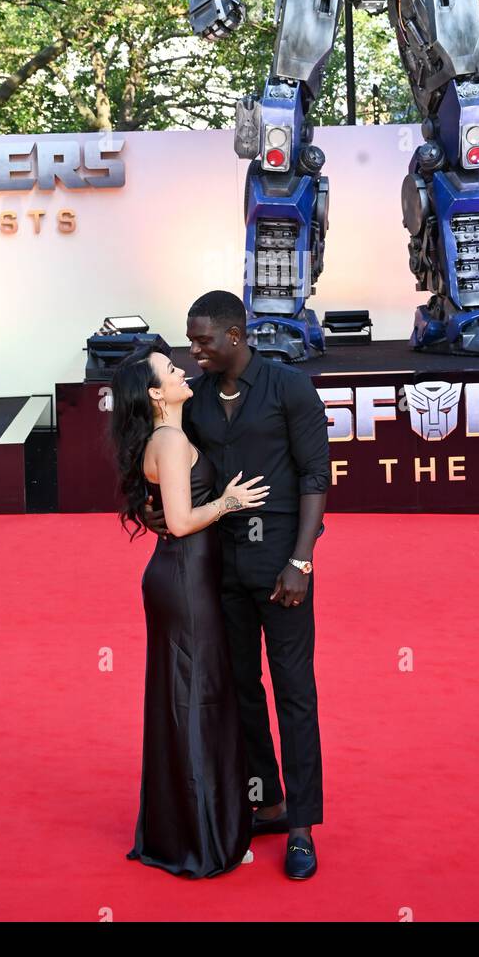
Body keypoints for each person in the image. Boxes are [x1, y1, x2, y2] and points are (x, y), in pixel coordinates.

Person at [144, 291, 331, 880]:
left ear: (234, 335)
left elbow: (315, 476)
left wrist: (301, 560)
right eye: (189, 341)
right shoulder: (193, 401)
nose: (193, 350)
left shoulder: (287, 387)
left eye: (202, 340)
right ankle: (266, 799)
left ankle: (300, 825)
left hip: (281, 567)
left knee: (294, 692)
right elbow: (176, 478)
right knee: (242, 693)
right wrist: (155, 511)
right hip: (217, 569)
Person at [110, 342, 269, 878]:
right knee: (199, 703)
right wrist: (228, 502)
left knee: (190, 700)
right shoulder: (171, 440)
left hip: (184, 578)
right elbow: (178, 522)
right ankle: (201, 840)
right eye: (171, 370)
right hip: (184, 581)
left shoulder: (166, 435)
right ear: (156, 393)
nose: (183, 370)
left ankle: (188, 829)